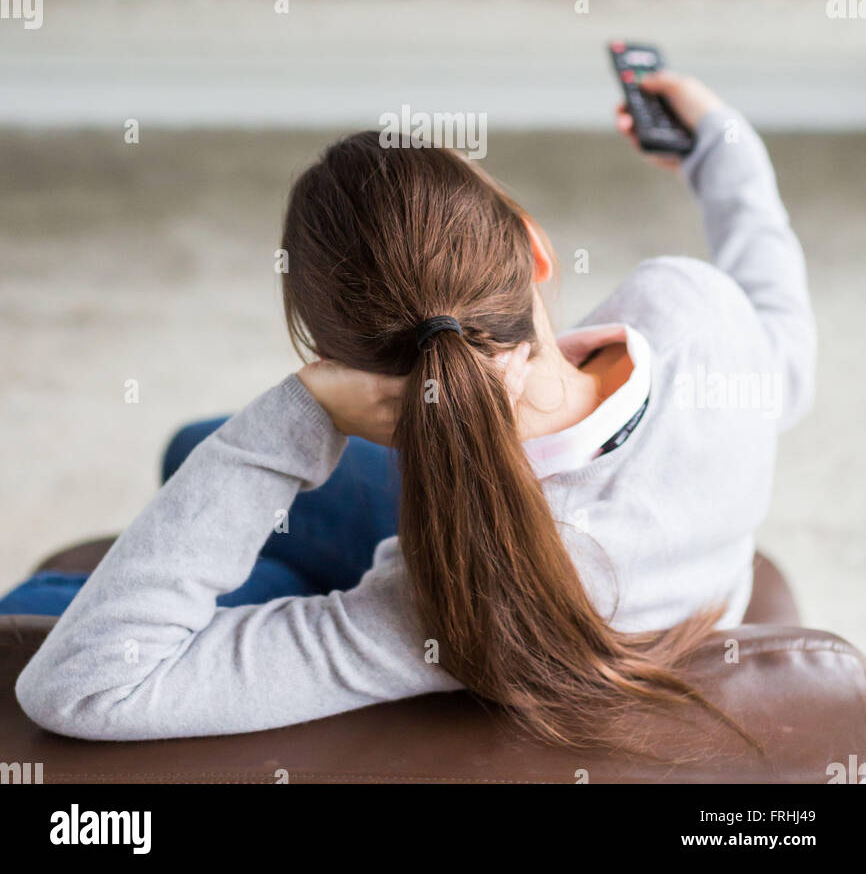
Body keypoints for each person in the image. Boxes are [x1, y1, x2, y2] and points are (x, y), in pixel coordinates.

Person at [12, 72, 815, 747]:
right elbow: (785, 333)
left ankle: (265, 581)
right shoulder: (693, 310)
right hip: (641, 571)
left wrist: (299, 417)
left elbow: (80, 687)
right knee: (194, 446)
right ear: (535, 249)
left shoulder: (435, 597)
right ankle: (272, 572)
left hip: (518, 568)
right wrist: (723, 145)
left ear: (348, 376)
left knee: (38, 611)